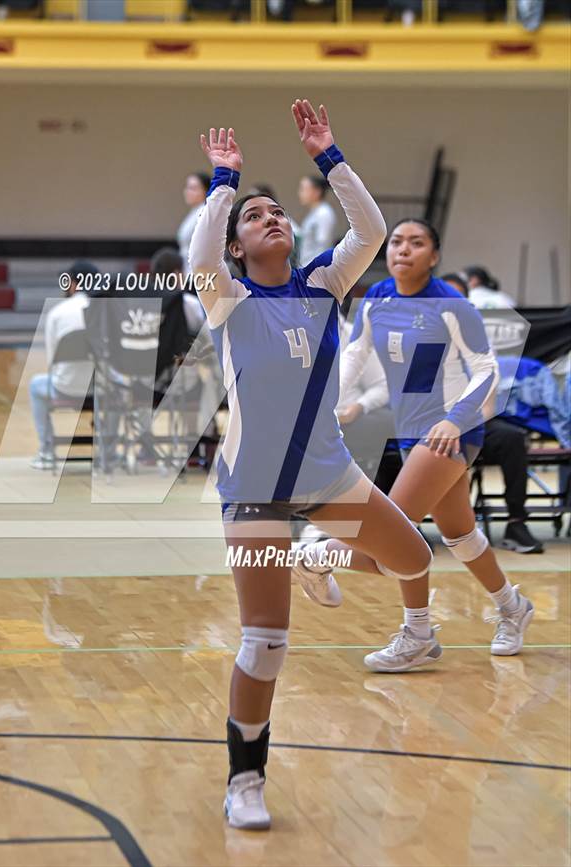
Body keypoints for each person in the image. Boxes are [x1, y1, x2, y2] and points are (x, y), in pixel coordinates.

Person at [189, 101, 433, 831]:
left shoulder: (324, 285)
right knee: (265, 642)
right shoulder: (226, 296)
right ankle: (245, 778)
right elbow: (201, 257)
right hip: (256, 492)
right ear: (238, 246)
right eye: (254, 217)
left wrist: (330, 156)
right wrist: (224, 183)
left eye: (277, 212)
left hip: (330, 477)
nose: (272, 219)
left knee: (413, 555)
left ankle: (323, 554)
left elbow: (371, 231)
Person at [299, 219, 534, 672]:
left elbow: (486, 370)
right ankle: (511, 606)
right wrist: (326, 407)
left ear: (434, 255)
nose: (403, 249)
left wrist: (455, 419)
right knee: (460, 536)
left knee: (395, 538)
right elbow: (353, 356)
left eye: (417, 243)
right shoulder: (376, 300)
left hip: (450, 433)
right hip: (410, 432)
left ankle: (321, 557)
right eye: (398, 242)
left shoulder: (453, 305)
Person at [442, 271, 544, 553]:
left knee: (511, 438)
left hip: (473, 423)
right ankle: (406, 525)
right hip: (429, 425)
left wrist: (460, 423)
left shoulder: (480, 345)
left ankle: (516, 523)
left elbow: (488, 404)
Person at [29, 261, 97, 470]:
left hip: (65, 388)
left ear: (76, 284)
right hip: (102, 391)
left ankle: (47, 452)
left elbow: (52, 361)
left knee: (35, 385)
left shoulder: (58, 313)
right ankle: (110, 453)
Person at [296, 173, 336, 267]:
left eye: (303, 189)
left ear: (317, 192)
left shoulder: (324, 213)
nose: (300, 193)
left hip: (316, 270)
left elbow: (323, 246)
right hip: (306, 266)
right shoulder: (314, 213)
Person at [177, 171, 210, 273]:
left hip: (199, 272)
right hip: (188, 270)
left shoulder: (205, 212)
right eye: (188, 187)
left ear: (205, 191)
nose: (188, 191)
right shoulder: (195, 212)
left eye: (193, 188)